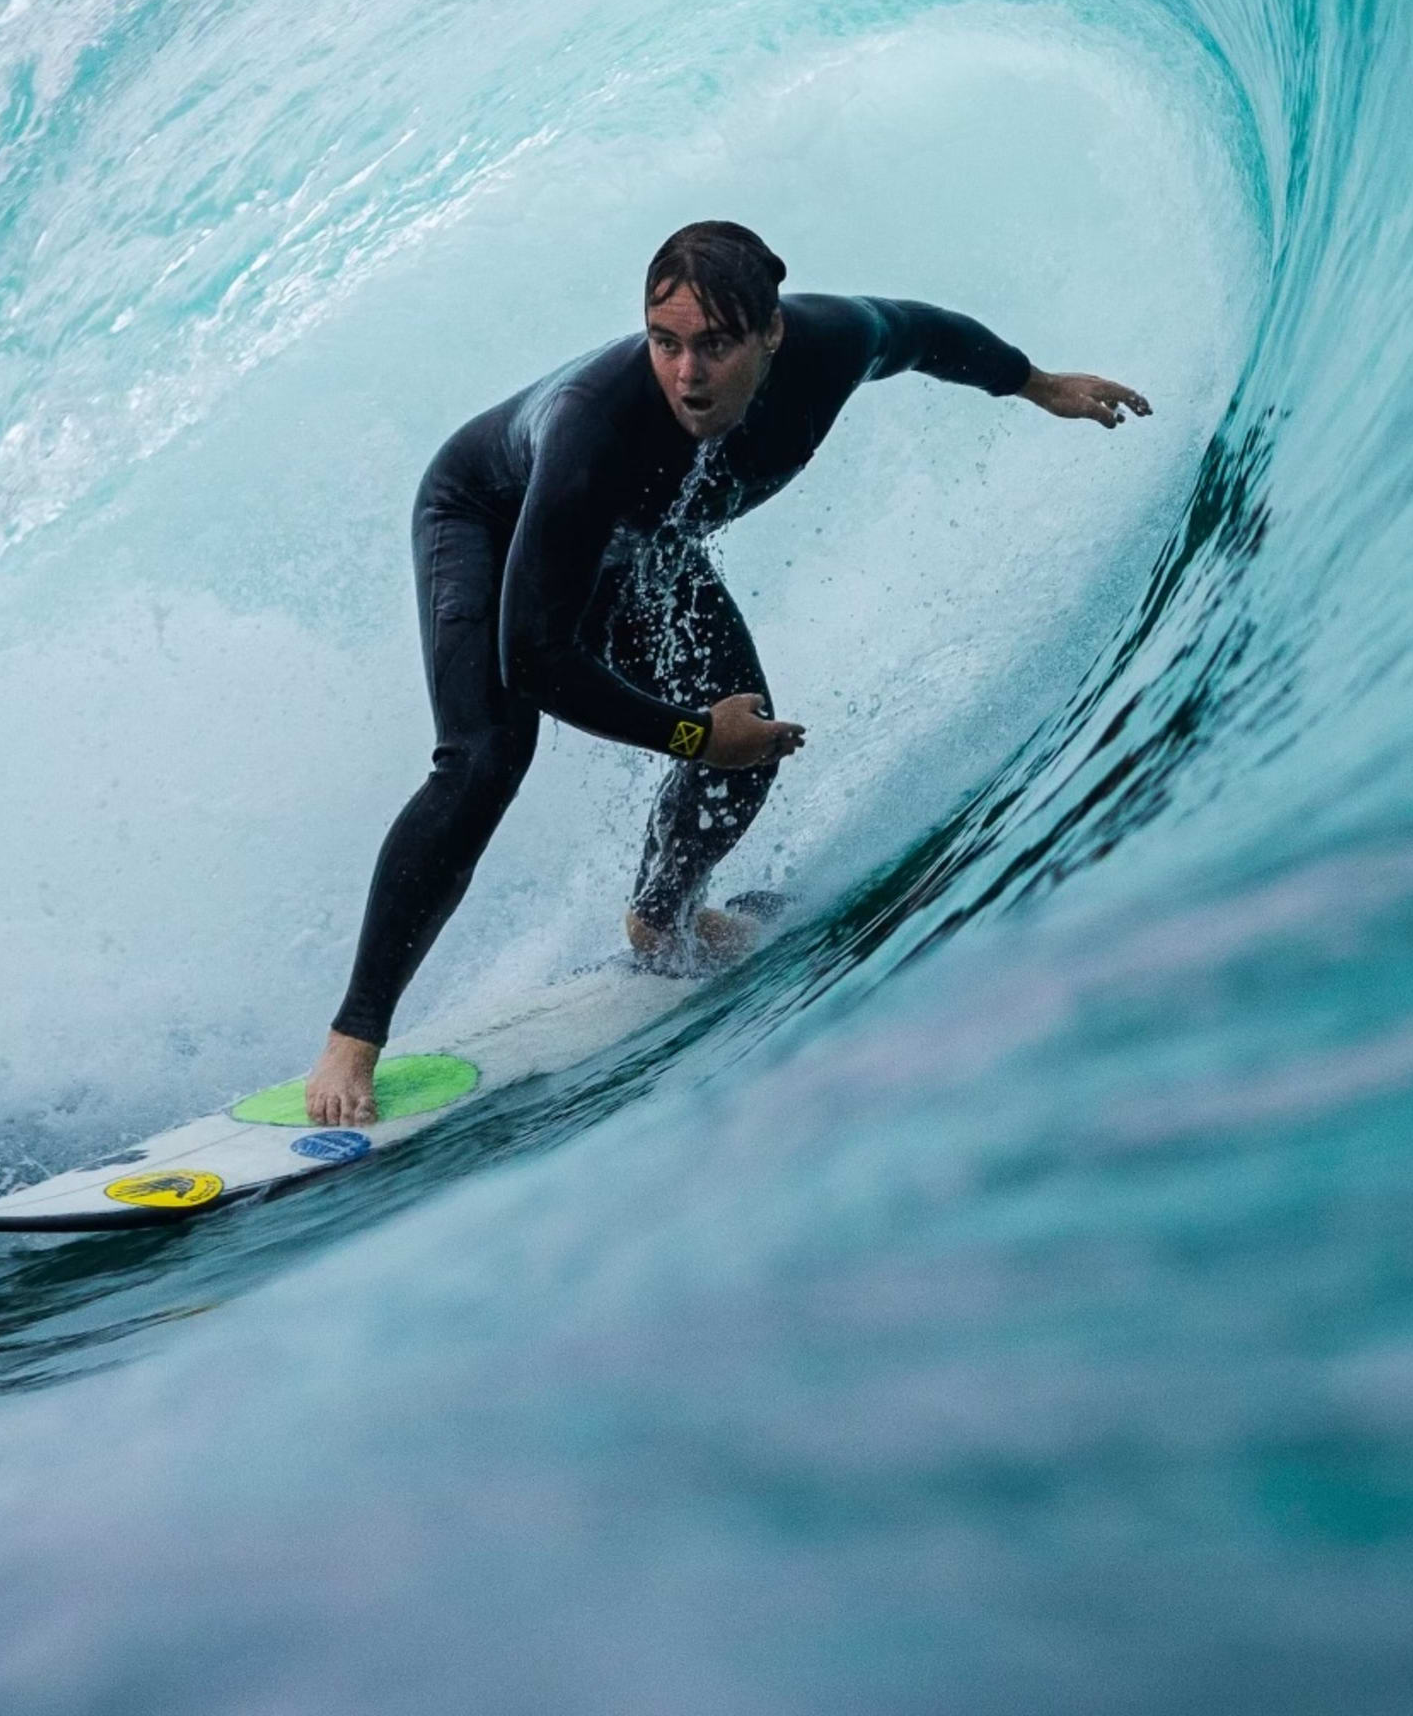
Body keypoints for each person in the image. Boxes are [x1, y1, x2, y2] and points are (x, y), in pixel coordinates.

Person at [301, 218, 1151, 1126]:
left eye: (714, 345)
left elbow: (923, 332)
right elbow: (536, 659)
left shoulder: (834, 342)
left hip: (635, 547)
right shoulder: (596, 428)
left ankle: (660, 918)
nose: (687, 374)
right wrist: (695, 733)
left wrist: (1036, 384)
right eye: (664, 343)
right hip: (489, 518)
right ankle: (353, 1037)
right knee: (485, 759)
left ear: (771, 333)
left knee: (756, 743)